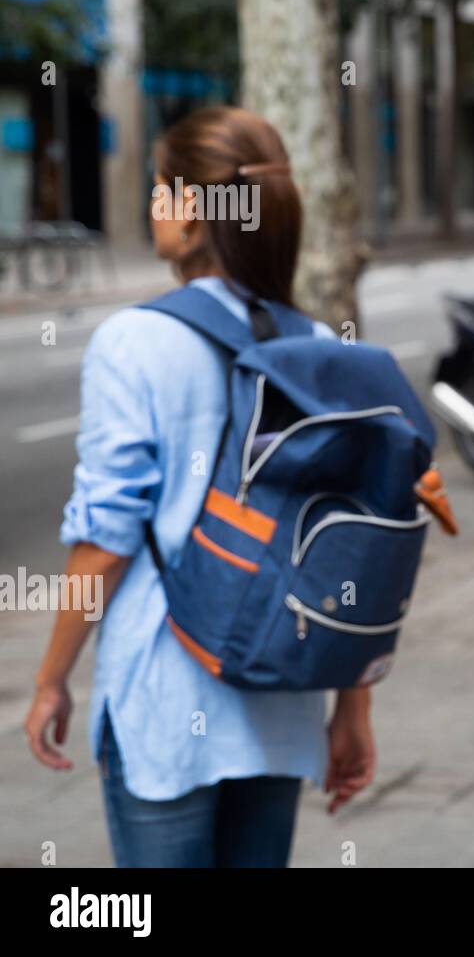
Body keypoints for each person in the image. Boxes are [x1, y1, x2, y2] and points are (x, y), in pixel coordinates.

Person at [24, 106, 375, 867]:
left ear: (191, 208)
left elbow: (105, 542)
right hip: (282, 702)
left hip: (163, 699)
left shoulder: (133, 341)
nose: (153, 206)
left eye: (159, 188)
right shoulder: (317, 347)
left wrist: (51, 679)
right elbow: (345, 544)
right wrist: (353, 706)